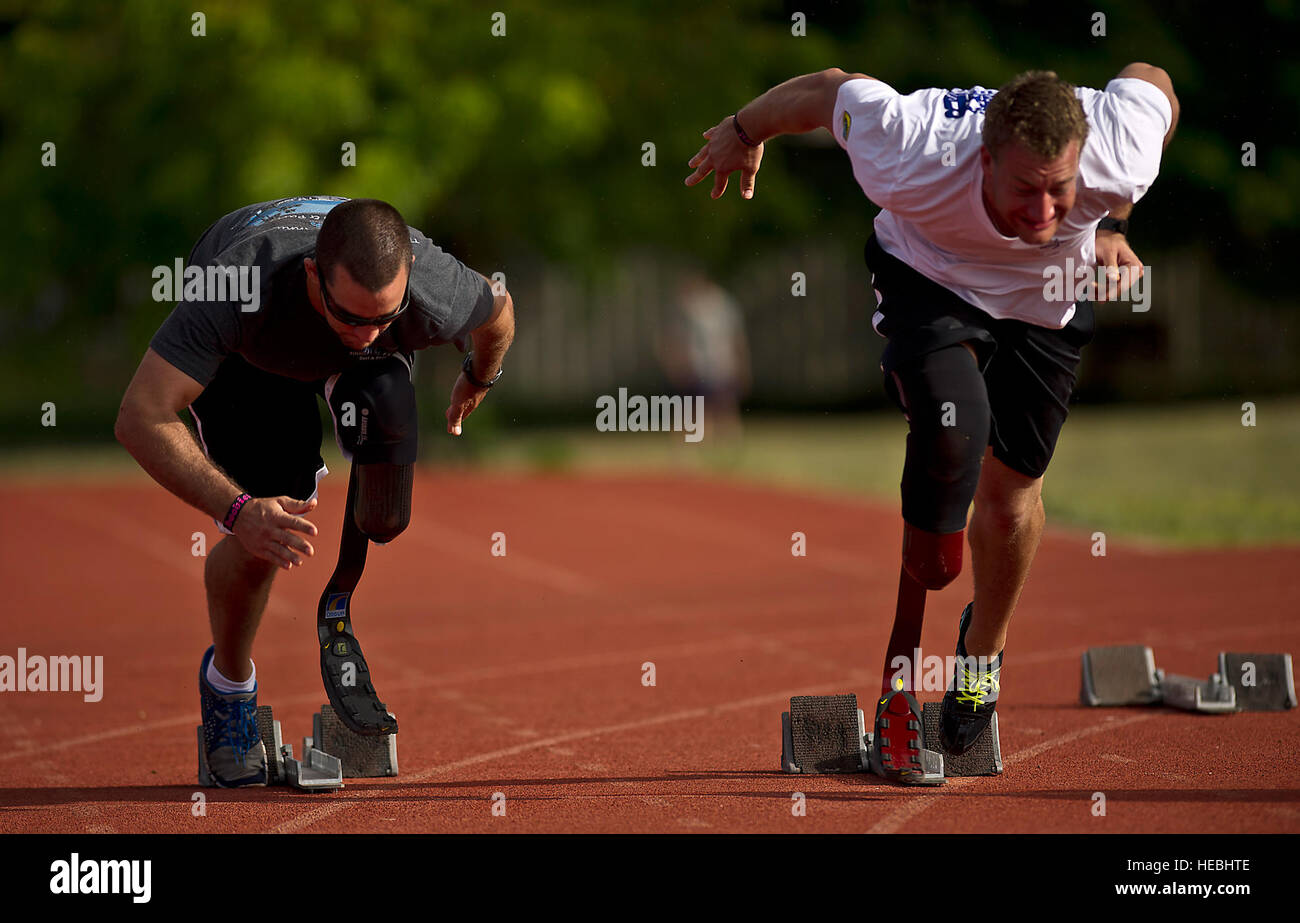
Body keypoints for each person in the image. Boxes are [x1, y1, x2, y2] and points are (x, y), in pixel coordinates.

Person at [687, 65, 1177, 761]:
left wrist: (1115, 219)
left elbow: (1152, 77)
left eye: (1059, 192)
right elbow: (828, 90)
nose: (1042, 213)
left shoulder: (1117, 148)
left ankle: (982, 655)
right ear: (983, 160)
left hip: (1049, 302)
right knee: (953, 431)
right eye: (1023, 191)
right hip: (932, 281)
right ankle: (924, 572)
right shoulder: (912, 147)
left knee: (1010, 505)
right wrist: (743, 129)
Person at [115, 196, 515, 786]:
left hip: (328, 317)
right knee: (265, 530)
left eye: (385, 316)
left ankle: (339, 602)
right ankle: (229, 686)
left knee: (390, 423)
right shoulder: (235, 285)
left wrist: (479, 377)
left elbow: (500, 314)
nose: (368, 334)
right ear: (312, 277)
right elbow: (140, 415)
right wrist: (237, 509)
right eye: (350, 316)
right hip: (250, 354)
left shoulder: (431, 283)